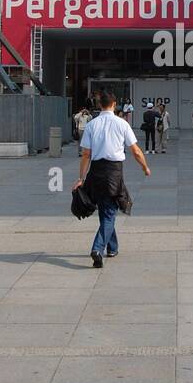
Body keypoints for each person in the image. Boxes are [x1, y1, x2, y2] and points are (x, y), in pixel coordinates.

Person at [73, 89, 151, 267]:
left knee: (105, 210)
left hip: (95, 172)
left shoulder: (92, 124)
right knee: (109, 213)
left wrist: (81, 178)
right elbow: (136, 151)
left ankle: (112, 247)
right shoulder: (122, 124)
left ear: (100, 105)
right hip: (113, 172)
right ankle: (97, 248)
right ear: (115, 104)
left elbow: (86, 154)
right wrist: (145, 167)